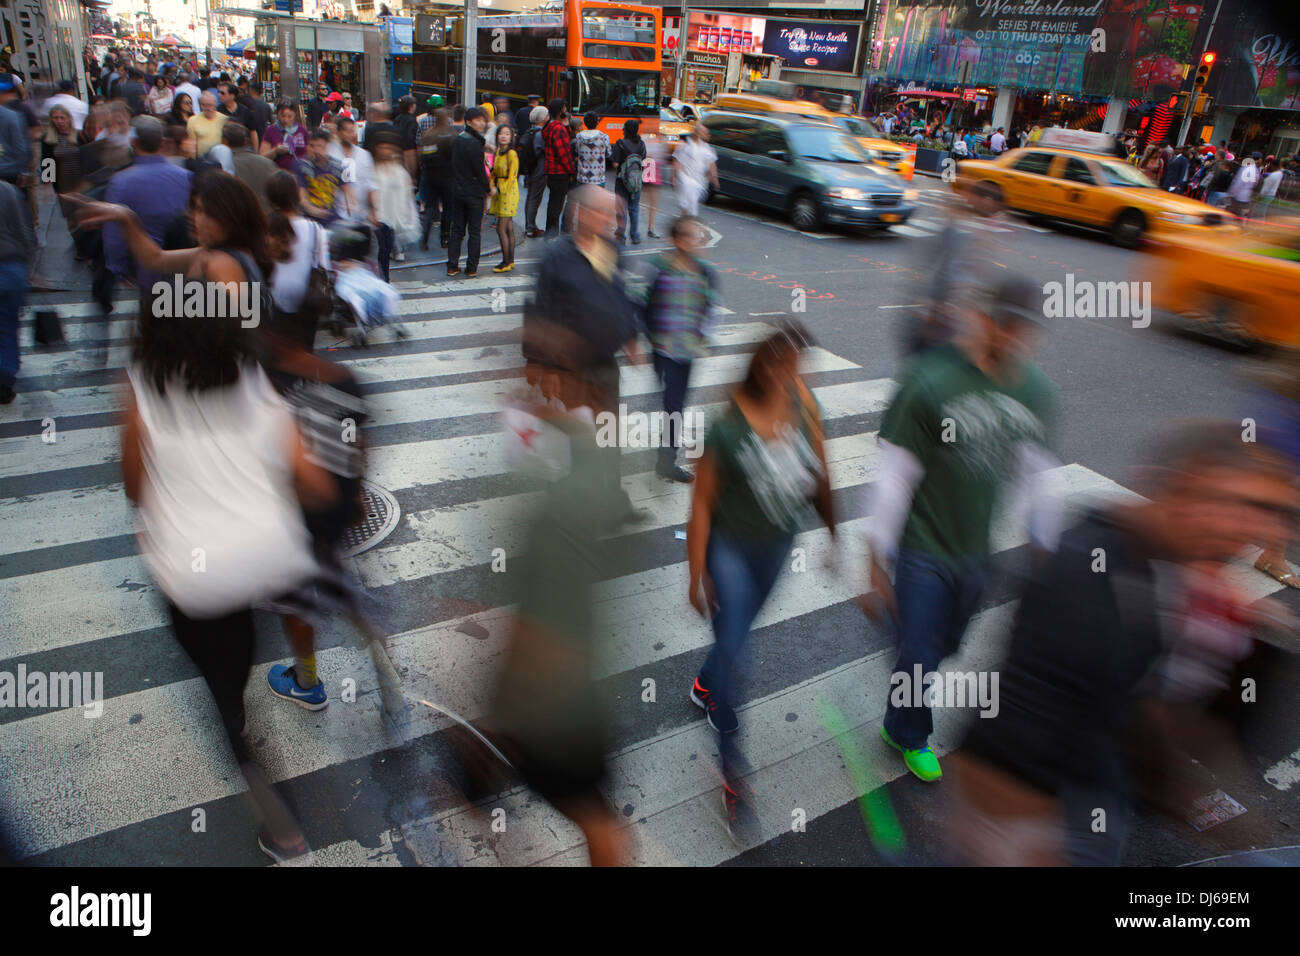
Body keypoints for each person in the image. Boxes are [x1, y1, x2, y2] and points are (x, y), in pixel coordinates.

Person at [73, 172, 334, 862]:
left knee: (225, 704)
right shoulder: (248, 376)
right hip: (263, 553)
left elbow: (135, 487)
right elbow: (309, 477)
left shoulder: (141, 391)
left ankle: (285, 830)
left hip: (195, 573)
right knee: (240, 644)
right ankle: (284, 684)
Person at [952, 423, 1297, 866]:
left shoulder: (1166, 555)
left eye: (1271, 511)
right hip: (1037, 817)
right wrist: (1018, 846)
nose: (1253, 528)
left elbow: (1138, 692)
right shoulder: (1086, 583)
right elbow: (1007, 748)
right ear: (1185, 490)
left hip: (1100, 773)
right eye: (1241, 505)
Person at [863, 275, 1061, 783]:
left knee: (945, 645)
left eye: (1027, 330)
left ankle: (906, 654)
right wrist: (873, 561)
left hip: (977, 551)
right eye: (1008, 326)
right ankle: (909, 732)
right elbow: (894, 478)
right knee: (922, 654)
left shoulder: (1035, 391)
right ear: (984, 320)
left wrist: (1046, 551)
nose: (1017, 339)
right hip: (922, 548)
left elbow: (1036, 475)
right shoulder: (929, 380)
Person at [687, 323, 835, 840]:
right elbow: (702, 503)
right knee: (739, 656)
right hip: (729, 550)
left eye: (802, 367)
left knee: (737, 634)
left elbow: (820, 474)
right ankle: (733, 772)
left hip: (776, 548)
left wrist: (835, 532)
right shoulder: (728, 426)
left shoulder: (805, 408)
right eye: (791, 366)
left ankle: (706, 681)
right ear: (767, 366)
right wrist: (694, 573)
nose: (798, 376)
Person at [523, 186, 643, 521]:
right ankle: (581, 503)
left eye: (614, 215)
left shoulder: (612, 250)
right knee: (583, 441)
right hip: (570, 369)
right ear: (582, 214)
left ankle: (613, 502)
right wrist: (541, 368)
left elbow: (622, 297)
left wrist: (631, 337)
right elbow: (539, 312)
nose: (611, 221)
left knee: (609, 436)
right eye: (605, 213)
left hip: (606, 364)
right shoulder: (556, 256)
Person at [641, 215, 719, 482]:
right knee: (670, 403)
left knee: (674, 405)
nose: (695, 241)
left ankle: (666, 459)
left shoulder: (705, 271)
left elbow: (711, 308)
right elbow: (641, 302)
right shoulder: (658, 267)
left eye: (696, 236)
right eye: (688, 236)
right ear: (676, 241)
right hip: (661, 348)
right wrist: (641, 338)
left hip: (686, 352)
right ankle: (666, 456)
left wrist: (704, 336)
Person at [103, 115, 194, 314]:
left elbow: (114, 233)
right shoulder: (186, 177)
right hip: (186, 265)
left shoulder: (120, 182)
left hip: (148, 270)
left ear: (133, 143)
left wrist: (118, 268)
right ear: (163, 142)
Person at [447, 105, 490, 278]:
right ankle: (471, 267)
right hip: (474, 192)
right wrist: (487, 189)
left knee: (457, 230)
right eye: (478, 120)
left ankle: (452, 266)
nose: (482, 123)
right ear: (468, 122)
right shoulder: (474, 143)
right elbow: (479, 171)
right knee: (474, 231)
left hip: (458, 191)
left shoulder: (458, 139)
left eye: (483, 120)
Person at [0, 178, 32, 404]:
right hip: (10, 268)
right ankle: (5, 379)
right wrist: (28, 268)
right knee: (8, 328)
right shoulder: (8, 190)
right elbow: (24, 233)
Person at [370, 134, 417, 281]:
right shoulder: (372, 168)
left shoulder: (398, 171)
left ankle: (384, 278)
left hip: (390, 217)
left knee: (385, 249)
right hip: (376, 216)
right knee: (380, 249)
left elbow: (405, 194)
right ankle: (381, 277)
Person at [418, 108, 454, 250]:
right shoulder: (451, 135)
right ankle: (445, 238)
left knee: (429, 208)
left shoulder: (428, 135)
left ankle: (425, 239)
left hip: (430, 175)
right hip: (448, 176)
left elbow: (422, 154)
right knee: (448, 209)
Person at [297, 128, 349, 224]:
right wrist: (314, 210)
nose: (315, 150)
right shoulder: (302, 166)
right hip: (309, 220)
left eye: (319, 146)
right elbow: (301, 198)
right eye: (312, 145)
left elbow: (348, 194)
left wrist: (350, 211)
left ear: (327, 147)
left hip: (333, 219)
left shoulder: (338, 166)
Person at [329, 116, 374, 225]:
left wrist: (373, 210)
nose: (350, 134)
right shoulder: (330, 153)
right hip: (337, 213)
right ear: (338, 132)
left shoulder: (364, 155)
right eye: (346, 130)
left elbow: (371, 184)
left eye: (352, 131)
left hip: (362, 213)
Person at [488, 124, 519, 273]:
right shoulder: (498, 151)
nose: (504, 136)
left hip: (508, 192)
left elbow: (513, 176)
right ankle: (510, 260)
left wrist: (499, 189)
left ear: (511, 136)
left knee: (501, 228)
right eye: (501, 133)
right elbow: (495, 172)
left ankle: (506, 261)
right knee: (508, 228)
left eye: (507, 133)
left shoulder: (512, 154)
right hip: (500, 191)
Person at [226, 122, 276, 213]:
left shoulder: (225, 167)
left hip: (243, 219)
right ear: (247, 141)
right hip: (269, 218)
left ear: (224, 142)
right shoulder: (268, 163)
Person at [542, 98, 575, 236]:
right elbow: (564, 153)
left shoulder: (549, 127)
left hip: (551, 170)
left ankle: (550, 232)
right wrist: (572, 170)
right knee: (557, 205)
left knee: (553, 203)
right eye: (564, 108)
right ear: (560, 110)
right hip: (560, 172)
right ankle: (551, 234)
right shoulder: (558, 129)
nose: (566, 111)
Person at [611, 117, 646, 244]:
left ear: (625, 130)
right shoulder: (641, 144)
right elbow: (643, 159)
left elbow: (615, 163)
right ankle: (635, 235)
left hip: (622, 180)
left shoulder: (620, 143)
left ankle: (620, 235)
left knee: (621, 209)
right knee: (634, 208)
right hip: (636, 180)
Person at [674, 125, 717, 218]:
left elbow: (711, 163)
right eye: (704, 132)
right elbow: (677, 161)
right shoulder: (685, 145)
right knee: (690, 205)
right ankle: (688, 223)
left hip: (699, 181)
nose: (707, 135)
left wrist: (713, 177)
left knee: (690, 205)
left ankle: (684, 222)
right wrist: (675, 176)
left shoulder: (706, 148)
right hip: (686, 179)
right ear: (697, 133)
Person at [521, 105, 549, 238]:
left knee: (530, 198)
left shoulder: (530, 132)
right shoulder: (541, 134)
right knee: (534, 199)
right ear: (543, 118)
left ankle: (530, 225)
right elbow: (542, 152)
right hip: (539, 170)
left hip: (530, 169)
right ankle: (530, 227)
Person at [261, 100, 307, 171]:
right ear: (277, 115)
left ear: (294, 115)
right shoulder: (271, 130)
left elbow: (309, 152)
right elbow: (262, 156)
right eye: (283, 116)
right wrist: (275, 151)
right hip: (279, 173)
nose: (286, 120)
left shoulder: (301, 130)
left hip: (300, 172)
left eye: (289, 117)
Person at [217, 81, 258, 152]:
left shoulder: (245, 111)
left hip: (243, 150)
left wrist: (256, 150)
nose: (219, 95)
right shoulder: (218, 111)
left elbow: (253, 132)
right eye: (218, 92)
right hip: (225, 150)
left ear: (232, 95)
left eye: (222, 93)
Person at [574, 111, 610, 188]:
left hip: (582, 178)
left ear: (585, 122)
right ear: (597, 122)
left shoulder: (579, 136)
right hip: (598, 179)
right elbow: (608, 154)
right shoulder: (604, 137)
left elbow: (577, 151)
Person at [187, 90, 226, 157]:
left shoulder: (224, 119)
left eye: (210, 105)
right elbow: (191, 144)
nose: (208, 108)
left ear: (215, 105)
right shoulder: (192, 120)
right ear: (200, 105)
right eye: (204, 105)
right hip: (202, 160)